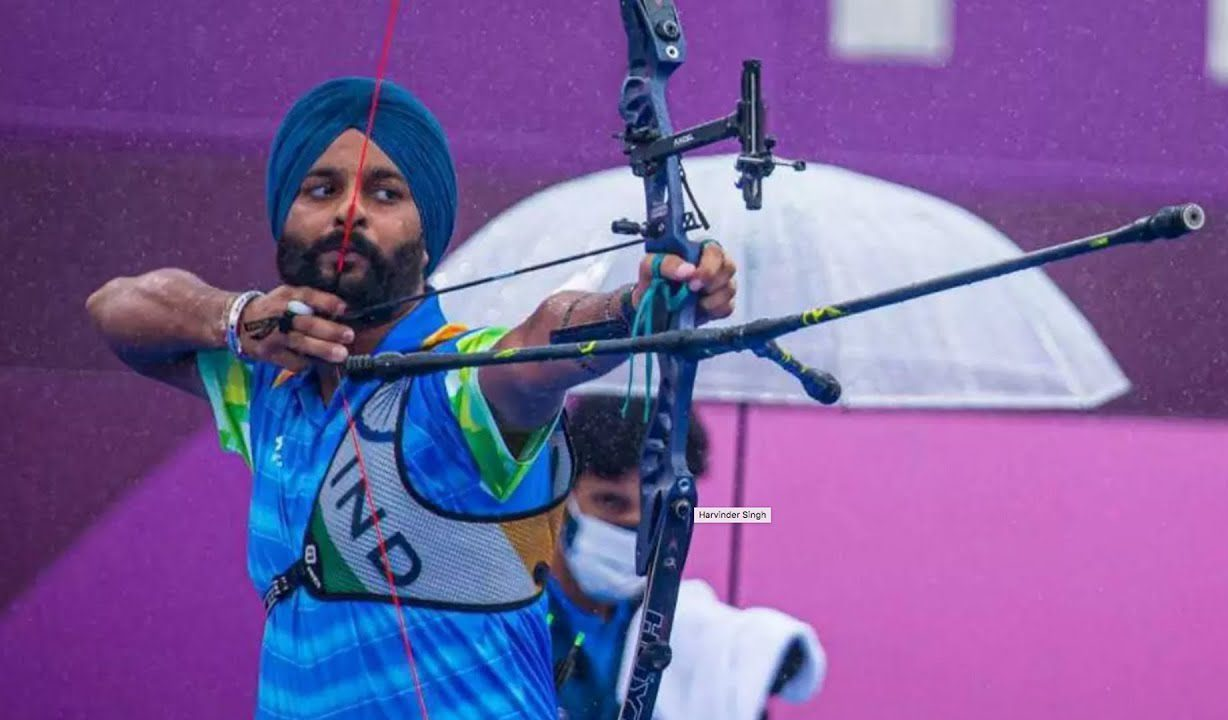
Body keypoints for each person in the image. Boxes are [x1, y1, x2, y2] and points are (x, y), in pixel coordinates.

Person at [84, 77, 739, 720]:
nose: (349, 211)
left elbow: (543, 341)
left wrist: (638, 305)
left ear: (428, 238)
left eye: (385, 192)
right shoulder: (268, 383)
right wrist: (234, 317)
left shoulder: (454, 385)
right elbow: (115, 307)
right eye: (321, 189)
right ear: (283, 217)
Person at [549, 394, 826, 720]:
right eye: (611, 502)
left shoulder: (679, 623)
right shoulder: (514, 615)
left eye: (657, 510)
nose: (636, 526)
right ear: (561, 498)